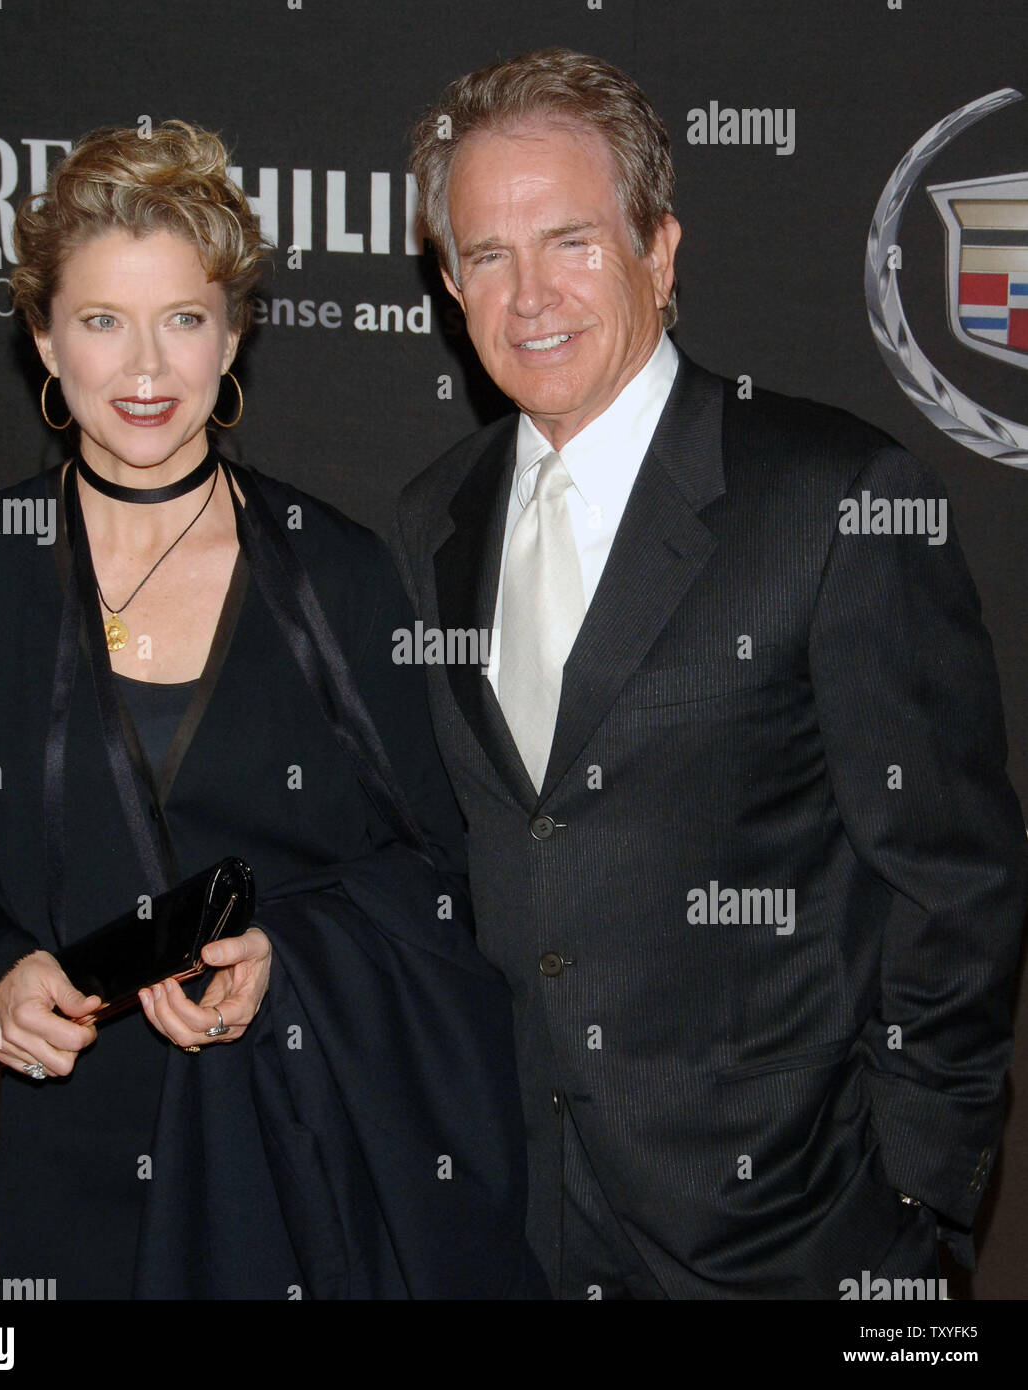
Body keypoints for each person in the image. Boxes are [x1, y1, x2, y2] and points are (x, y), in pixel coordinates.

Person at [395, 48, 1028, 1298]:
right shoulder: (432, 523)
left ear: (659, 250)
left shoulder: (835, 500)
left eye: (569, 240)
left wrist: (914, 1204)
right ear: (449, 284)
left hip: (794, 1239)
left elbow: (952, 879)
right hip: (519, 1224)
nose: (529, 297)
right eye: (485, 255)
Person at [0, 120, 539, 1299]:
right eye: (101, 321)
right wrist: (0, 974)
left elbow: (437, 865)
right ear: (42, 337)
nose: (146, 370)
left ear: (235, 332)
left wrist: (283, 953)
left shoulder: (339, 575)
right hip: (73, 1133)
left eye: (184, 319)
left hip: (281, 1137)